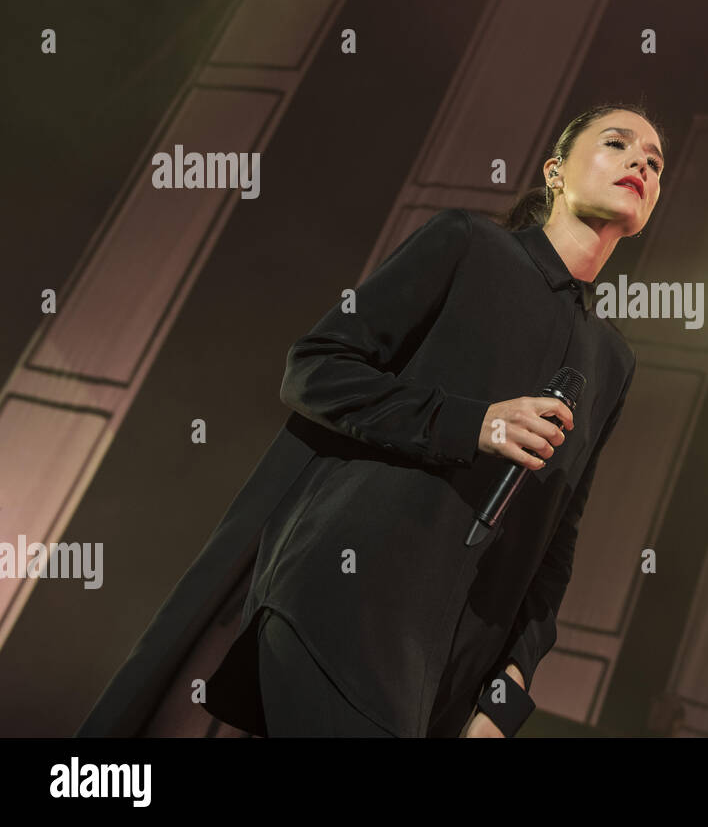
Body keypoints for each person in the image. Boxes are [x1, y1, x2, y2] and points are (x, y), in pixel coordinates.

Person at [77, 103, 667, 739]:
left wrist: (504, 698)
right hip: (342, 603)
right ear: (555, 171)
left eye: (656, 162)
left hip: (441, 679)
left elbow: (556, 541)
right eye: (617, 142)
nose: (641, 160)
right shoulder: (468, 245)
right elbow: (314, 367)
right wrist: (473, 423)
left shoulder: (613, 360)